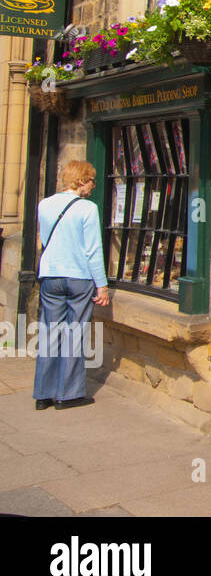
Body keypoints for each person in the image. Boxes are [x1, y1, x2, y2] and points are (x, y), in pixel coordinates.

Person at [34, 160, 109, 410]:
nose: (92, 186)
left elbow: (43, 240)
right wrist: (102, 285)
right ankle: (68, 394)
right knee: (74, 334)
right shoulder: (87, 209)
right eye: (91, 181)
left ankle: (43, 394)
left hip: (51, 275)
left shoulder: (44, 204)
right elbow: (93, 251)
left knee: (49, 333)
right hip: (78, 277)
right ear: (80, 182)